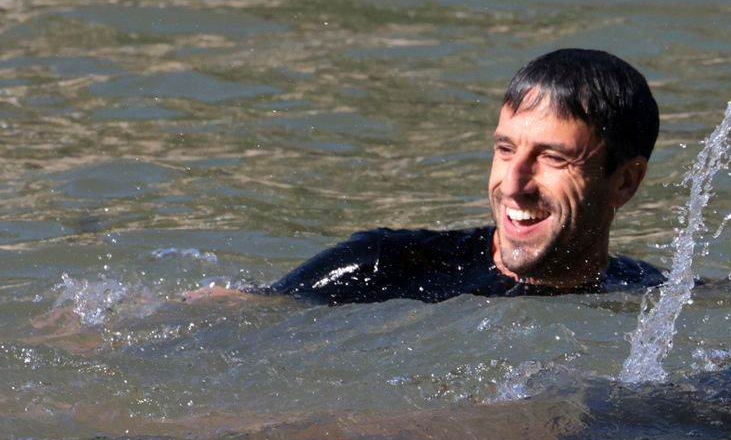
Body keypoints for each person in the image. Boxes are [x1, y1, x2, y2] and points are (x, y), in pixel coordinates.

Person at [269, 48, 664, 304]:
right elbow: (242, 313)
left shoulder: (651, 298)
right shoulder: (384, 267)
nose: (513, 184)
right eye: (505, 150)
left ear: (625, 182)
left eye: (553, 158)